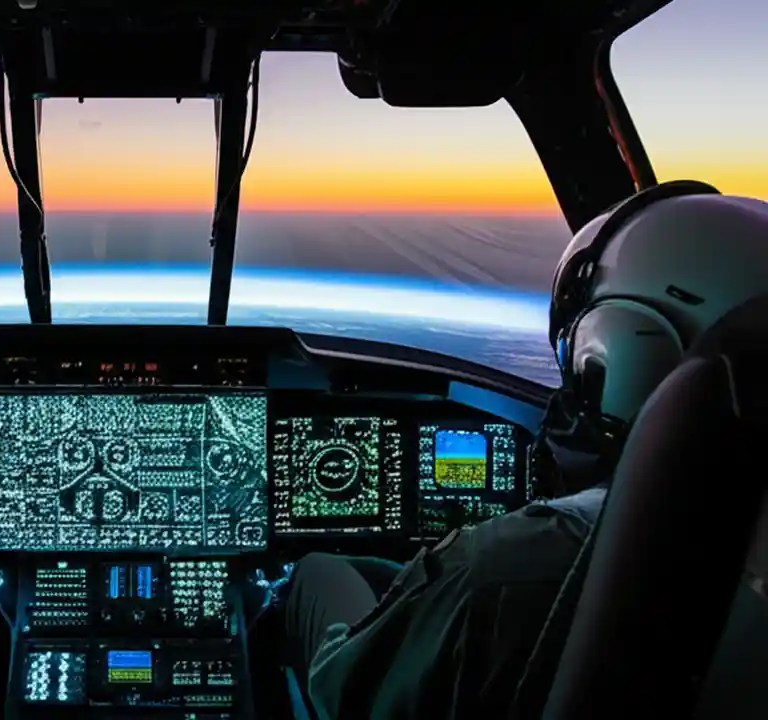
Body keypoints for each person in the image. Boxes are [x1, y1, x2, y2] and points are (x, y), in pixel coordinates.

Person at [275, 183, 768, 719]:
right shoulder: (748, 556)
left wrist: (438, 574)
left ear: (616, 352)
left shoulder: (500, 565)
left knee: (316, 572)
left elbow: (343, 692)